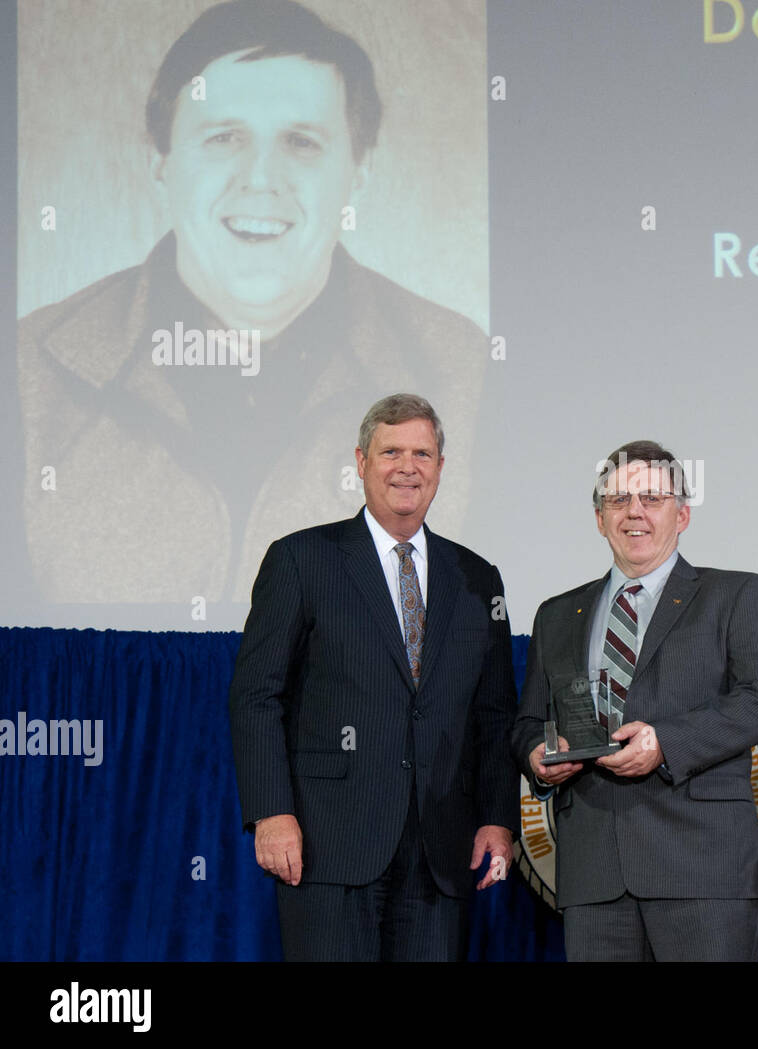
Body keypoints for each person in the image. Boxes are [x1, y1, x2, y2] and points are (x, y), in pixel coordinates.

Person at [18, 0, 486, 610]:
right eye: (223, 138)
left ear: (359, 170)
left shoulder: (467, 371)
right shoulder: (28, 369)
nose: (261, 178)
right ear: (160, 162)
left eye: (301, 141)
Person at [228, 393, 516, 961]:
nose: (407, 467)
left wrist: (497, 819)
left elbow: (495, 712)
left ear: (439, 468)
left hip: (441, 850)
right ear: (361, 462)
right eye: (391, 452)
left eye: (422, 453)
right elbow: (256, 695)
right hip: (327, 843)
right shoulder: (301, 559)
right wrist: (271, 812)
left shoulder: (478, 577)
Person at [511, 441, 758, 961]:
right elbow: (531, 720)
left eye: (652, 499)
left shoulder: (734, 594)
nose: (633, 511)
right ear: (599, 519)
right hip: (594, 874)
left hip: (703, 871)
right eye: (618, 500)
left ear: (682, 514)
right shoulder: (556, 614)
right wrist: (536, 755)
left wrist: (665, 742)